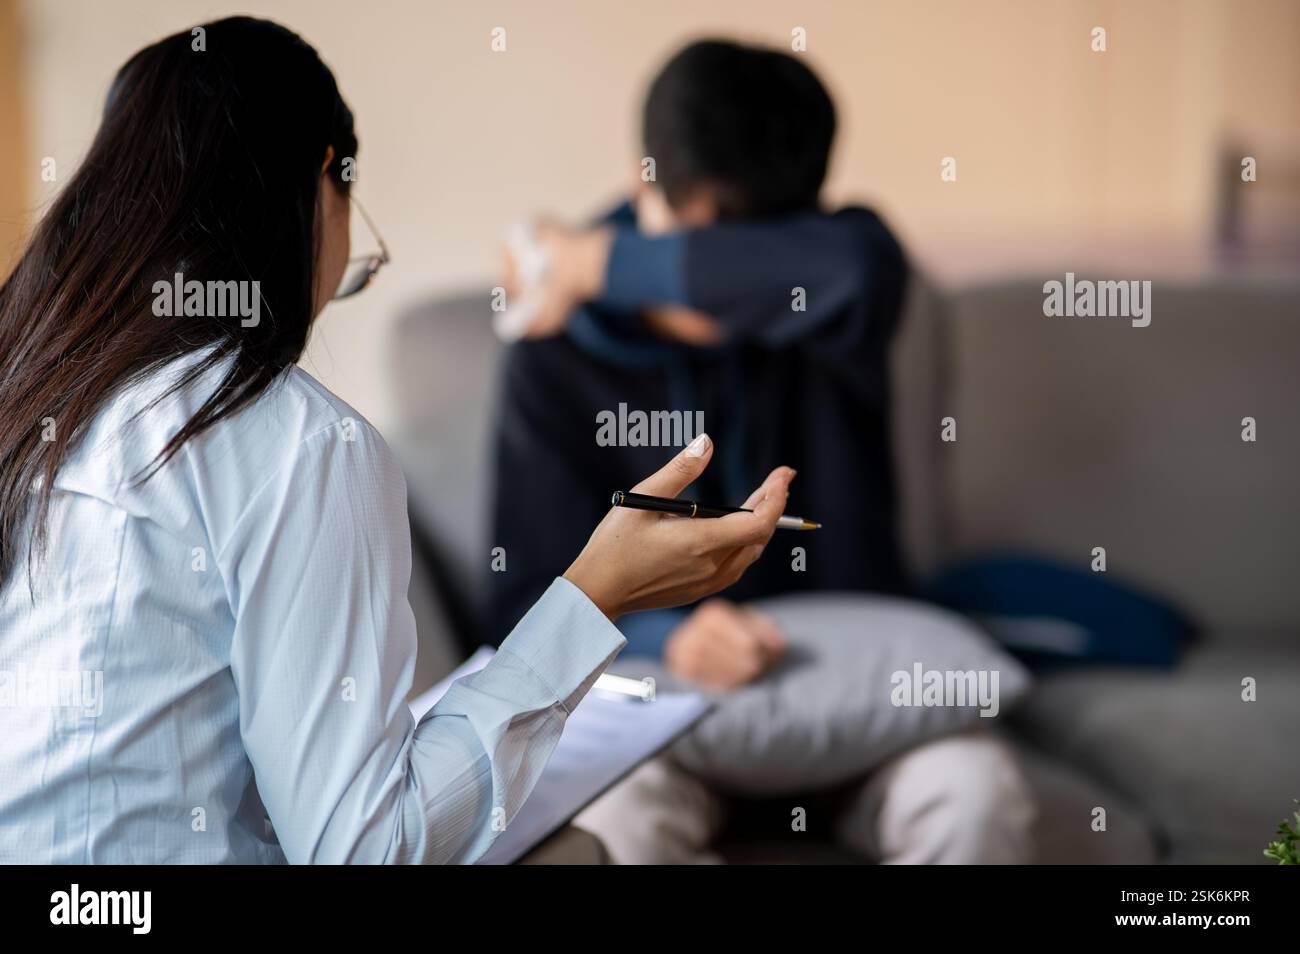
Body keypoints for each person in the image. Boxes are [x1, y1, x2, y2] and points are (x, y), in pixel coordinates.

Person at [0, 18, 791, 865]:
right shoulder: (300, 441)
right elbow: (367, 852)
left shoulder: (38, 400)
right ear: (319, 186)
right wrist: (594, 597)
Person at [493, 39, 1035, 863]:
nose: (722, 291)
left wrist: (584, 259)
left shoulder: (843, 286)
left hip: (863, 697)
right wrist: (666, 634)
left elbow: (840, 265)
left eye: (749, 252)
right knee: (618, 827)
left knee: (976, 794)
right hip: (665, 711)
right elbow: (521, 593)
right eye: (705, 244)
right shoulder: (554, 349)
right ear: (646, 181)